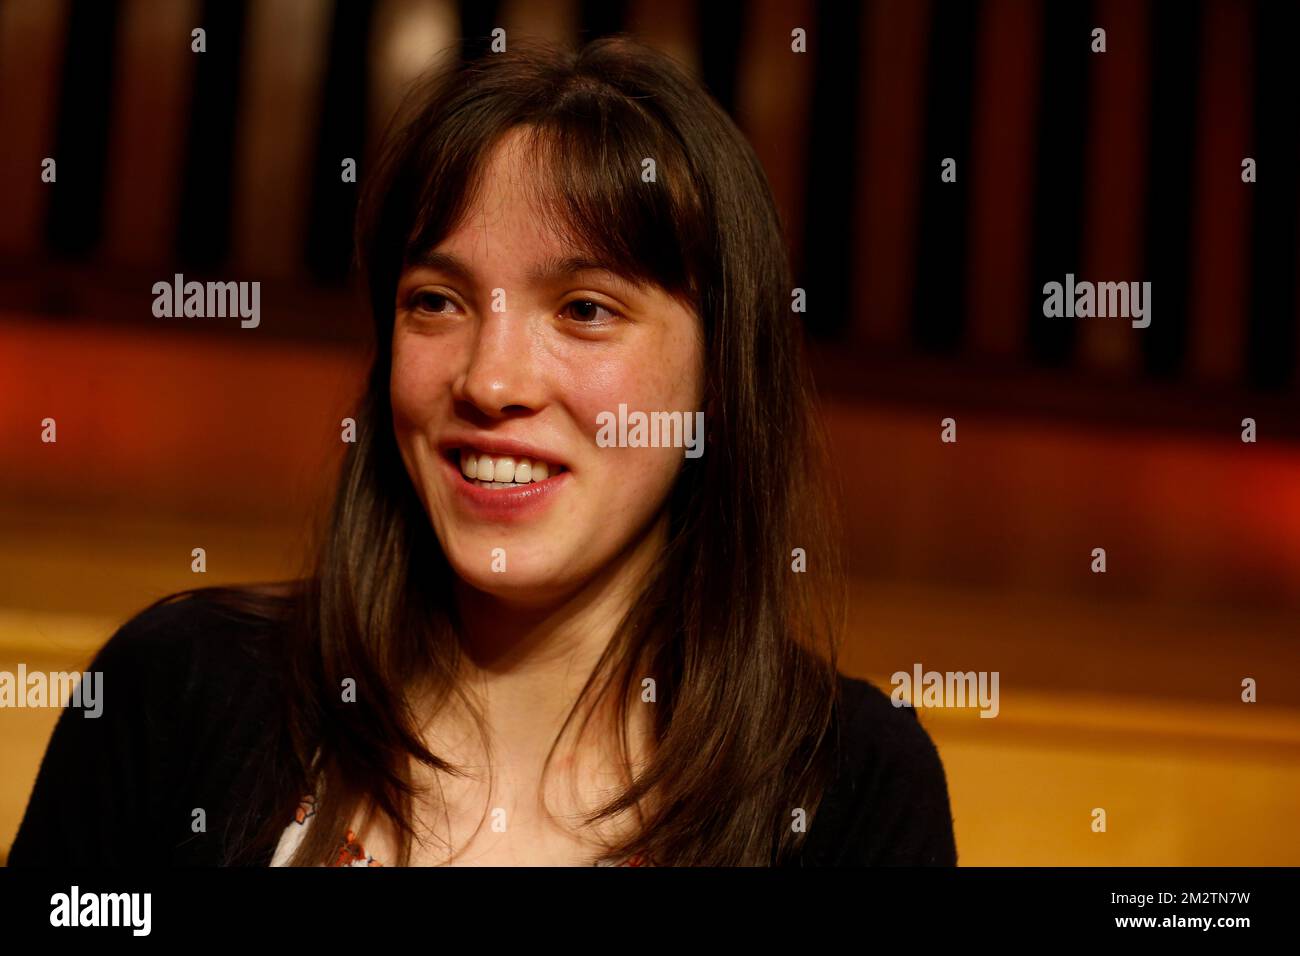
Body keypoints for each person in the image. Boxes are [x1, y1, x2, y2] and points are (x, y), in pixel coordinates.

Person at [9, 35, 956, 867]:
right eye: (437, 301)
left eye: (584, 309)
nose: (489, 380)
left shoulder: (851, 789)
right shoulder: (177, 691)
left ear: (719, 376)